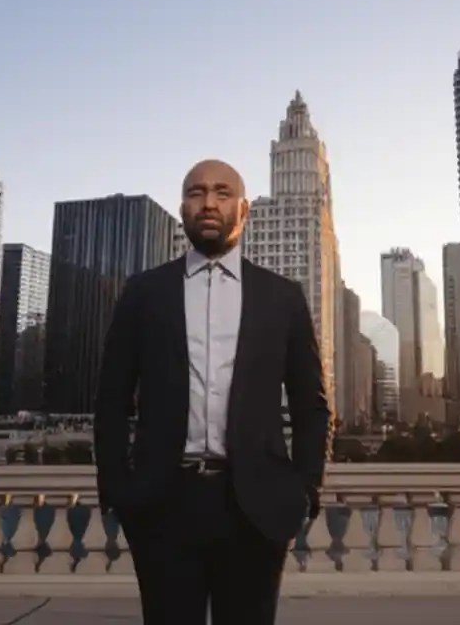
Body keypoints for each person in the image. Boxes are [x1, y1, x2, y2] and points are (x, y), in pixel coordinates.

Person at [94, 158, 335, 624]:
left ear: (243, 211)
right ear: (183, 208)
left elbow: (312, 406)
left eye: (223, 193)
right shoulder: (143, 292)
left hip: (255, 507)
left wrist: (305, 488)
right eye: (196, 192)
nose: (209, 203)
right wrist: (118, 490)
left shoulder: (283, 297)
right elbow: (111, 400)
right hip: (163, 504)